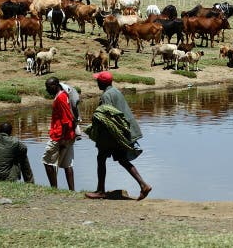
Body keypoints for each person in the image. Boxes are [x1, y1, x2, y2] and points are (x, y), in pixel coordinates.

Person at [85, 71, 152, 201]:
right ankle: (143, 185)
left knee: (101, 158)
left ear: (102, 82)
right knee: (122, 159)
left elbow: (108, 117)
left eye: (98, 80)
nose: (96, 82)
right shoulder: (115, 91)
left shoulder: (106, 95)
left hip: (114, 133)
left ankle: (100, 191)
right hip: (123, 131)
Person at [42, 77, 76, 190]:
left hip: (60, 135)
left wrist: (62, 139)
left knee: (47, 161)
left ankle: (53, 189)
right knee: (68, 164)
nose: (47, 89)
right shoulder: (63, 95)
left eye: (49, 87)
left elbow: (66, 120)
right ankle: (72, 190)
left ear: (55, 85)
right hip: (69, 134)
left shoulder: (60, 98)